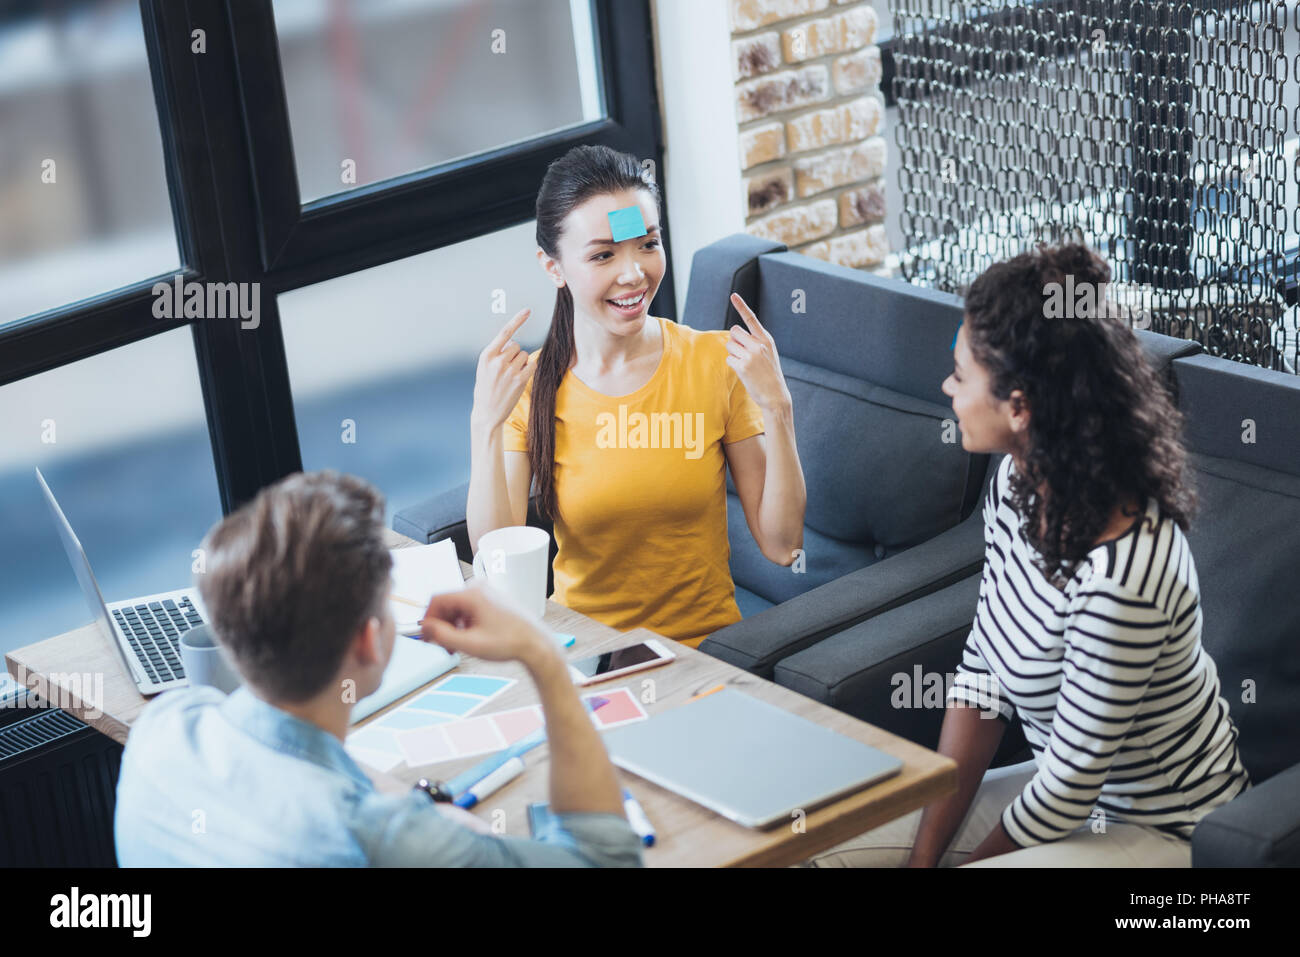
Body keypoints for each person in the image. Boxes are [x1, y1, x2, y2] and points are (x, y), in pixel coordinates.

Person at [810, 242, 1251, 867]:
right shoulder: (1018, 481)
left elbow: (1071, 786)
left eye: (961, 375)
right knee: (817, 844)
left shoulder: (1126, 572)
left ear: (1019, 407)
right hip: (1059, 794)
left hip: (1164, 829)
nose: (947, 387)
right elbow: (983, 677)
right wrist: (922, 859)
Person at [114, 470, 643, 867]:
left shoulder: (164, 728)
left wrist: (415, 816)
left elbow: (294, 759)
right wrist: (542, 655)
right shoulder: (378, 841)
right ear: (369, 640)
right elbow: (607, 858)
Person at [466, 144, 806, 647]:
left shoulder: (714, 363)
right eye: (603, 255)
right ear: (553, 267)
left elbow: (783, 547)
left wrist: (778, 408)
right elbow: (496, 565)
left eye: (648, 243)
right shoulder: (530, 386)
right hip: (585, 652)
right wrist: (485, 425)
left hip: (702, 657)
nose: (633, 273)